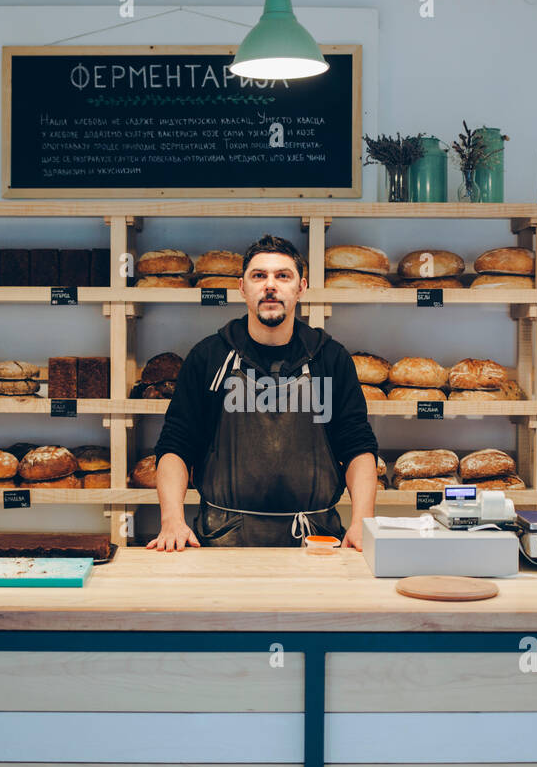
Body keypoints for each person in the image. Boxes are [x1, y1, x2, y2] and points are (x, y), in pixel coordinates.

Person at [148, 234, 378, 550]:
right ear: (242, 288)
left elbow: (357, 446)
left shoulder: (330, 358)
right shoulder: (209, 357)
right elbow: (176, 444)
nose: (270, 285)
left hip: (318, 543)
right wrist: (171, 520)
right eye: (259, 276)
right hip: (222, 543)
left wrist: (362, 522)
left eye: (283, 276)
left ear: (301, 288)